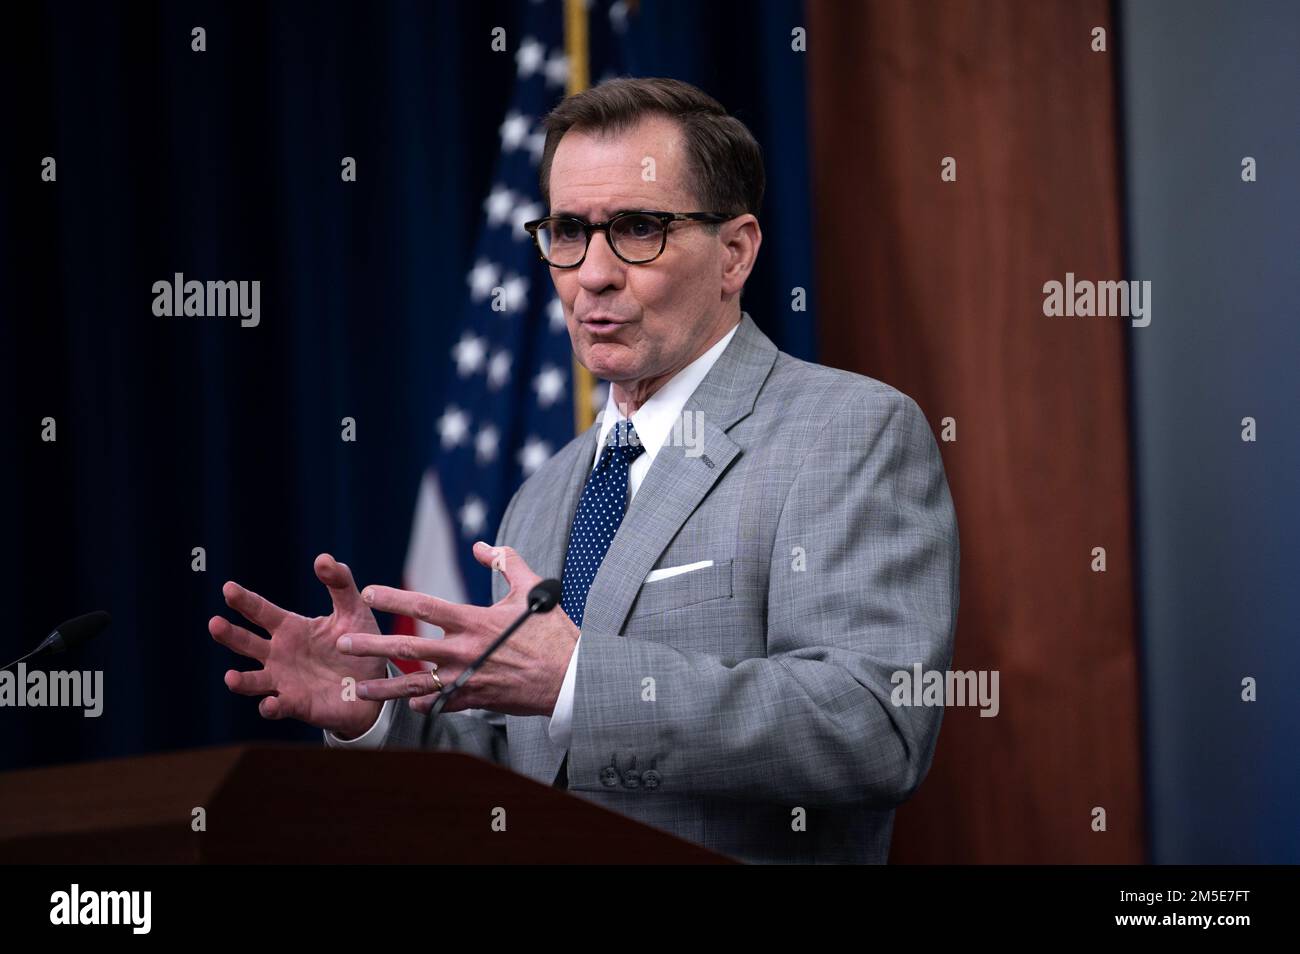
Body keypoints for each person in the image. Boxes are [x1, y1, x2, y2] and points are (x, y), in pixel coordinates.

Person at [211, 77, 959, 863]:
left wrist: (580, 677)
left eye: (638, 228)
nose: (593, 273)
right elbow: (529, 770)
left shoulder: (846, 432)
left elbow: (875, 724)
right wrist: (372, 715)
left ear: (735, 252)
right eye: (567, 231)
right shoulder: (543, 494)